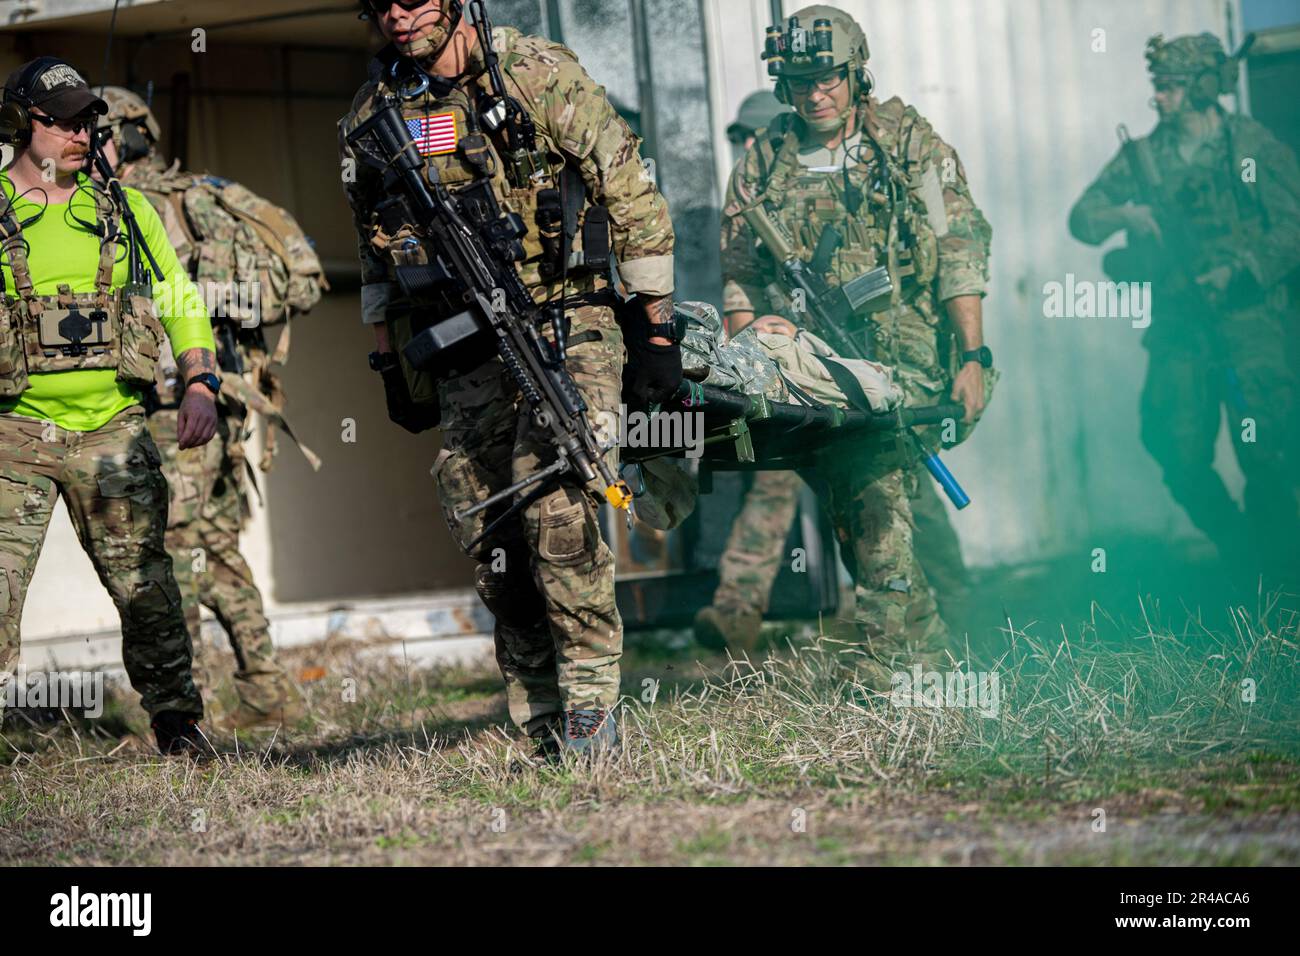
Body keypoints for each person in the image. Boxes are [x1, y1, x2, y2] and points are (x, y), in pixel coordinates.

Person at [339, 0, 678, 754]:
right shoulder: (375, 113)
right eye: (381, 4)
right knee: (486, 514)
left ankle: (594, 708)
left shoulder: (536, 74)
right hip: (463, 335)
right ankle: (541, 717)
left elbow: (629, 192)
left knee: (556, 496)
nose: (399, 17)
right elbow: (372, 251)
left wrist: (655, 329)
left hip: (568, 313)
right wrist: (388, 361)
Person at [720, 6, 994, 678]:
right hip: (813, 373)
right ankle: (942, 651)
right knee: (867, 514)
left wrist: (972, 356)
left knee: (876, 497)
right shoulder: (762, 163)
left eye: (828, 79)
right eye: (800, 81)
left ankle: (905, 664)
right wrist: (750, 345)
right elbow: (740, 277)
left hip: (902, 354)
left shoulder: (905, 144)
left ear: (855, 73)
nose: (816, 94)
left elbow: (959, 246)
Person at [0, 58, 218, 753]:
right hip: (15, 432)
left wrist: (199, 383)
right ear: (19, 124)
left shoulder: (125, 208)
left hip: (113, 429)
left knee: (147, 589)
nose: (80, 131)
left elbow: (181, 299)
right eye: (61, 119)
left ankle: (178, 727)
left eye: (88, 118)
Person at [97, 86, 328, 728]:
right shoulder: (108, 204)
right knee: (213, 546)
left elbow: (300, 277)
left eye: (98, 130)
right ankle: (265, 690)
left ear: (130, 135)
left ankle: (183, 711)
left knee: (169, 547)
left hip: (183, 403)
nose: (83, 142)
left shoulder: (173, 203)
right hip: (177, 402)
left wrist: (206, 307)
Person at [1069, 33, 1300, 584]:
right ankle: (1241, 550)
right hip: (1181, 328)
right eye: (1157, 88)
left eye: (1169, 88)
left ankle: (1279, 578)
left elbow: (1293, 226)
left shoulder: (1251, 147)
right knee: (1173, 444)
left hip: (1248, 324)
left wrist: (1239, 268)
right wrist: (1127, 215)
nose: (1159, 100)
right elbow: (1083, 218)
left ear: (1202, 87)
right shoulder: (1144, 156)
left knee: (1267, 452)